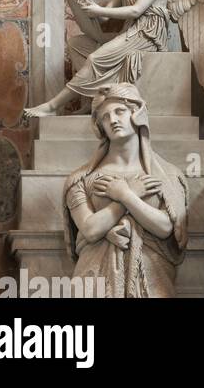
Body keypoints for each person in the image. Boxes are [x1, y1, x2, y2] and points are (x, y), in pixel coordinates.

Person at [25, 0, 174, 118]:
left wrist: (98, 10)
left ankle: (52, 106)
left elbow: (136, 10)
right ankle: (96, 99)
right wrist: (84, 2)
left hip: (148, 35)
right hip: (130, 31)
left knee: (96, 58)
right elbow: (104, 17)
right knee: (77, 44)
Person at [63, 83, 188, 298]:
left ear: (136, 113)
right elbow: (90, 229)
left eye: (119, 111)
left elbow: (166, 227)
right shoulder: (80, 179)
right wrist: (127, 196)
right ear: (100, 126)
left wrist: (125, 195)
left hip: (152, 282)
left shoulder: (168, 176)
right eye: (105, 117)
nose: (112, 120)